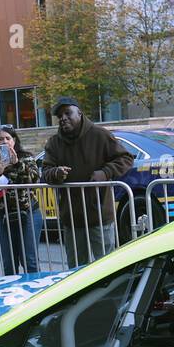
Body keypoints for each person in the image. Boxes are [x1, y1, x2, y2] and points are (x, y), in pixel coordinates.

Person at [40, 97, 133, 268]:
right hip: (72, 219)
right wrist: (56, 173)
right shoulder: (54, 143)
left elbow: (126, 158)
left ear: (80, 113)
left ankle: (108, 295)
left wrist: (105, 172)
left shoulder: (100, 135)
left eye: (68, 113)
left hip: (99, 216)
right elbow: (45, 172)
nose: (63, 118)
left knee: (106, 269)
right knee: (76, 271)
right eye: (59, 115)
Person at [0, 124, 42, 276]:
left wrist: (17, 164)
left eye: (8, 138)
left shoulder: (26, 157)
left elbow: (34, 179)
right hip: (1, 216)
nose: (4, 142)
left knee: (30, 262)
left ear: (14, 141)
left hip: (28, 213)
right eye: (1, 139)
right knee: (9, 265)